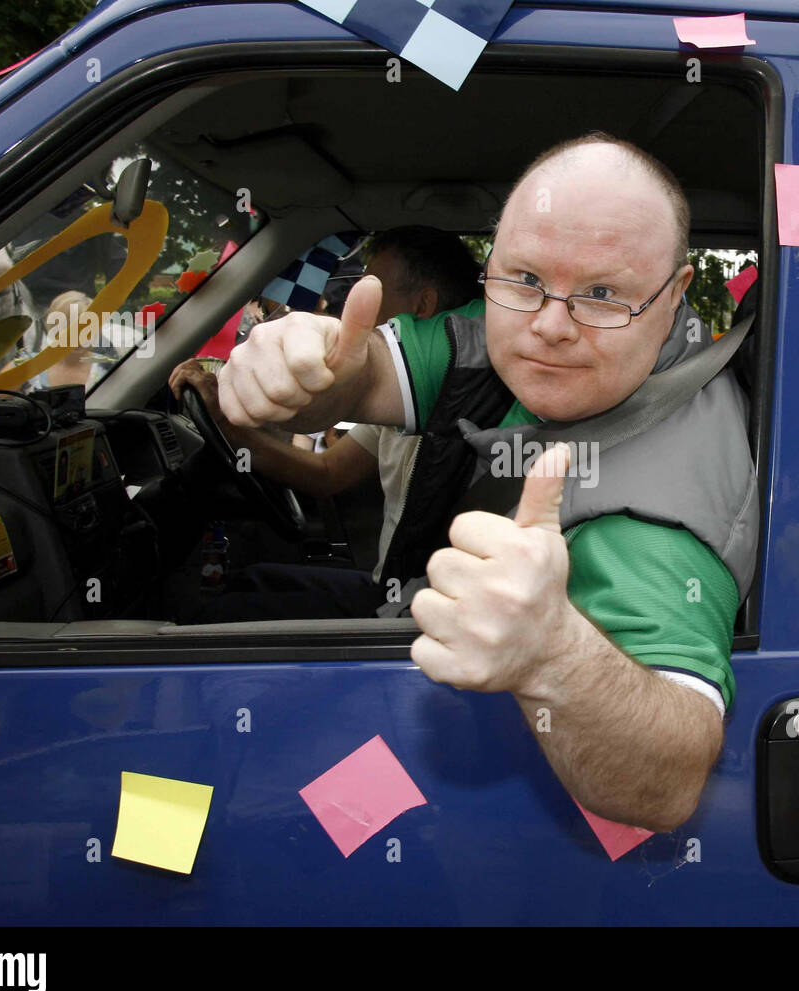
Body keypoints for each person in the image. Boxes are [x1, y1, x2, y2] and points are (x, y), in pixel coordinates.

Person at [215, 132, 760, 832]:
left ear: (675, 293)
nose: (550, 326)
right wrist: (298, 366)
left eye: (602, 293)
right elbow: (361, 374)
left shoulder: (655, 520)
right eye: (525, 279)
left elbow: (667, 782)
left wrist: (552, 652)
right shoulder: (508, 328)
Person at [168, 226, 482, 619]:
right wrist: (224, 423)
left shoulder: (459, 388)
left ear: (422, 305)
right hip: (387, 586)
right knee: (254, 580)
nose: (351, 306)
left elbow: (343, 399)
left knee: (214, 615)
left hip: (416, 609)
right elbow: (328, 471)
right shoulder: (401, 400)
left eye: (372, 291)